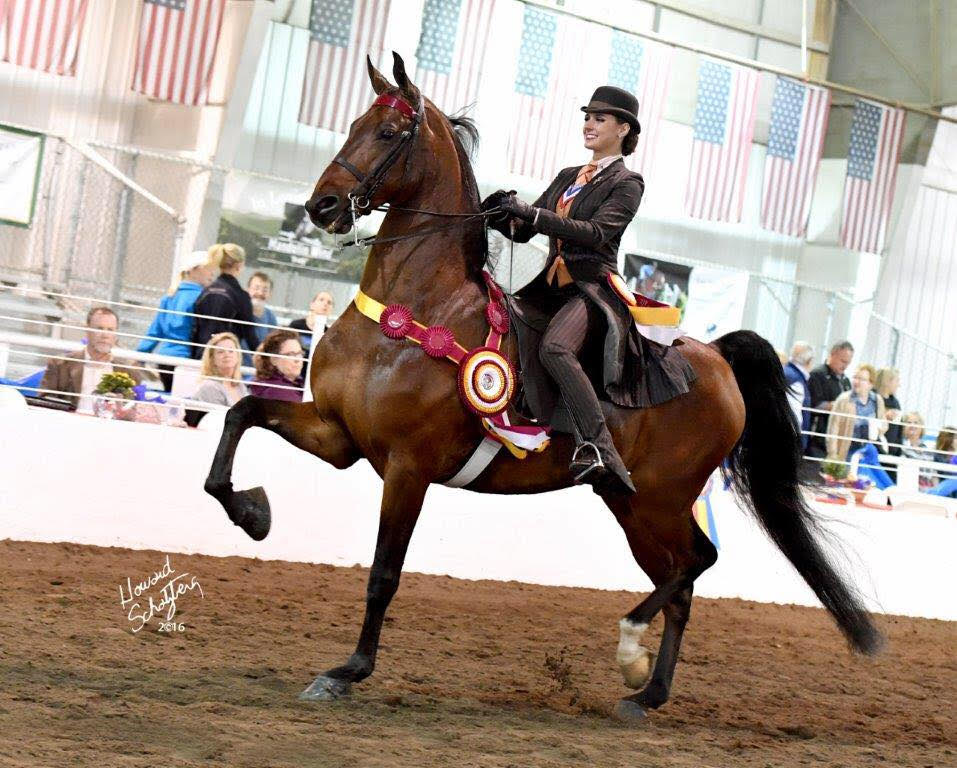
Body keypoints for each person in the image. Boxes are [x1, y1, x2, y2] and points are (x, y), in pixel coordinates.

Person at [479, 85, 695, 496]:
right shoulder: (567, 177)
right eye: (587, 116)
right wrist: (502, 213)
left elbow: (596, 233)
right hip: (549, 288)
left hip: (592, 287)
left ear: (623, 128)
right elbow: (527, 230)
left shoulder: (628, 182)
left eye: (599, 118)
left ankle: (599, 448)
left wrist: (534, 215)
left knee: (557, 347)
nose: (589, 124)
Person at [39, 307, 146, 413]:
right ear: (87, 330)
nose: (105, 335)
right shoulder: (59, 364)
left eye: (110, 330)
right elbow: (45, 402)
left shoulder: (129, 370)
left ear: (115, 335)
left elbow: (134, 411)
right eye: (99, 328)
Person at [137, 250, 215, 390]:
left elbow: (155, 331)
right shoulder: (203, 298)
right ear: (193, 270)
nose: (212, 273)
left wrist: (140, 355)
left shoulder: (170, 296)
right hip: (187, 362)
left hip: (164, 359)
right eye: (208, 268)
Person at [191, 243, 260, 356]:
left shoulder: (205, 292)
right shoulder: (240, 296)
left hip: (201, 355)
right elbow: (250, 335)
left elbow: (195, 328)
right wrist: (264, 359)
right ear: (239, 265)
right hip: (225, 357)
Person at [806, 340, 854, 459]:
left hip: (836, 439)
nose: (845, 366)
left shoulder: (845, 381)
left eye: (848, 363)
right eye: (842, 361)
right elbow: (814, 405)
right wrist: (838, 406)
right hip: (817, 439)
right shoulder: (818, 375)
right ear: (832, 354)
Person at [191, 332, 249, 407]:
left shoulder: (240, 385)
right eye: (221, 352)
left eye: (231, 351)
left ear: (238, 356)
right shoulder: (209, 387)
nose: (227, 355)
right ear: (212, 359)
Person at [249, 330, 305, 402]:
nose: (297, 360)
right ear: (274, 360)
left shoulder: (297, 383)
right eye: (290, 354)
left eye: (299, 353)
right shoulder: (277, 391)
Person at [783, 341, 814, 448]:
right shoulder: (796, 381)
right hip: (787, 441)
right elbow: (795, 416)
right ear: (809, 361)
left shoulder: (783, 372)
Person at [874, 367, 902, 455]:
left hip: (891, 452)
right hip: (875, 449)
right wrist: (884, 416)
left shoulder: (895, 403)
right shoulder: (872, 399)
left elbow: (899, 430)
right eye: (896, 381)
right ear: (887, 381)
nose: (899, 385)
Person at [247, 271, 278, 348]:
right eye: (256, 288)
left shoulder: (270, 318)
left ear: (270, 294)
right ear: (248, 290)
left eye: (265, 290)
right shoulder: (238, 312)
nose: (260, 293)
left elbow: (272, 345)